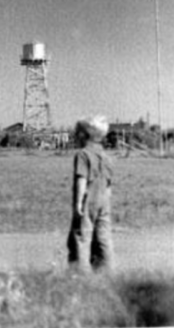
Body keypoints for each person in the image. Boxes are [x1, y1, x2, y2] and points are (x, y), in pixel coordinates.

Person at [67, 115, 114, 273]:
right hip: (104, 200)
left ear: (84, 135)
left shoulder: (83, 154)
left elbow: (82, 179)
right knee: (103, 237)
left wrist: (78, 203)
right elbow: (108, 183)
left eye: (77, 132)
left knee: (82, 237)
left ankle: (79, 273)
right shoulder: (106, 156)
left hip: (89, 199)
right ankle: (106, 271)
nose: (75, 135)